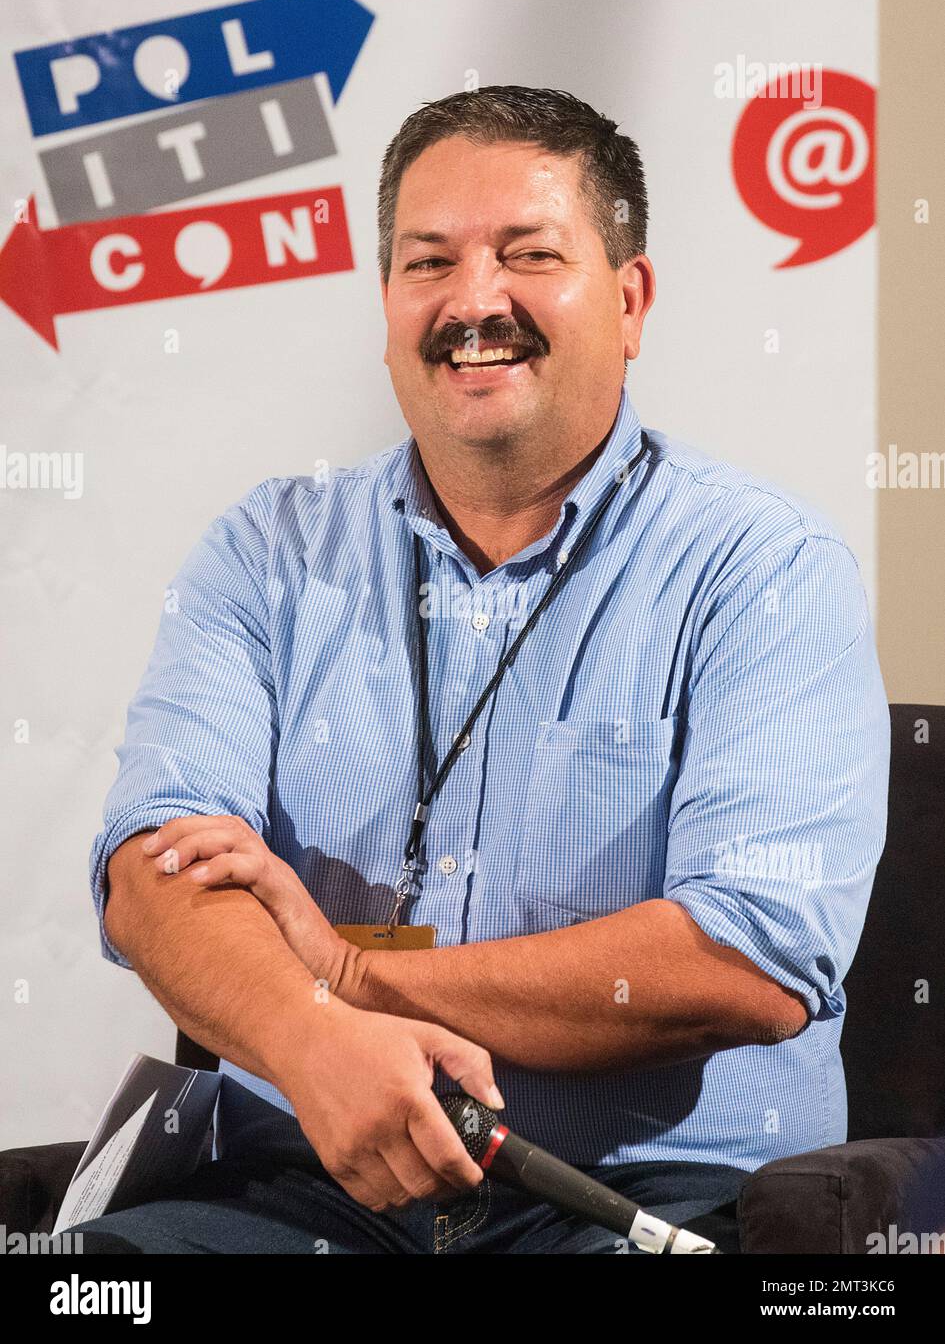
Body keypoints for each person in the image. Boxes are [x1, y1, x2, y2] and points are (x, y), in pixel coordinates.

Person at [65, 86, 889, 1255]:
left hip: (631, 1198)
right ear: (386, 303)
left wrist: (348, 972)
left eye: (530, 255)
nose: (473, 302)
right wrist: (312, 1039)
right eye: (427, 262)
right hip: (303, 1183)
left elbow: (748, 954)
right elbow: (154, 872)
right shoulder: (268, 553)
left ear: (633, 298)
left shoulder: (759, 568)